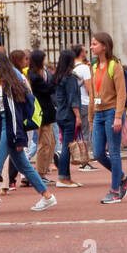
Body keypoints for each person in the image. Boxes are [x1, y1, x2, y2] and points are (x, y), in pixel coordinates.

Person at [0, 52, 57, 213]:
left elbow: (15, 114)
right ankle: (47, 196)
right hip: (4, 125)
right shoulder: (3, 80)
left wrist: (19, 138)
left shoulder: (9, 84)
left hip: (10, 127)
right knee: (23, 165)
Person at [86, 31, 127, 203]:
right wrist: (91, 119)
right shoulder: (93, 67)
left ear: (104, 46)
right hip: (98, 114)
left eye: (95, 44)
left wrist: (119, 116)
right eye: (92, 44)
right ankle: (122, 177)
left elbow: (121, 93)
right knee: (98, 153)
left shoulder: (115, 66)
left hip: (112, 111)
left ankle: (115, 190)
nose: (91, 47)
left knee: (114, 152)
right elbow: (92, 95)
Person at [49, 48, 83, 188]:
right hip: (69, 115)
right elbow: (73, 99)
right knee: (67, 147)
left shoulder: (57, 77)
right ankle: (63, 177)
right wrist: (78, 116)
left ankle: (66, 177)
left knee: (65, 146)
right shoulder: (69, 78)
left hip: (60, 114)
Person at [26, 49, 57, 181]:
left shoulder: (37, 73)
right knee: (44, 144)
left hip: (46, 112)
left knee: (51, 143)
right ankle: (39, 173)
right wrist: (55, 78)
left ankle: (43, 171)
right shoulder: (34, 76)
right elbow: (48, 89)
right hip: (42, 112)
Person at [71, 45, 94, 172]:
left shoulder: (71, 68)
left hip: (75, 103)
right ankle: (85, 161)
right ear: (81, 53)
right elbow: (89, 88)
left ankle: (82, 159)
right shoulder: (84, 68)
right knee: (86, 132)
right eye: (85, 51)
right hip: (85, 102)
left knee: (79, 132)